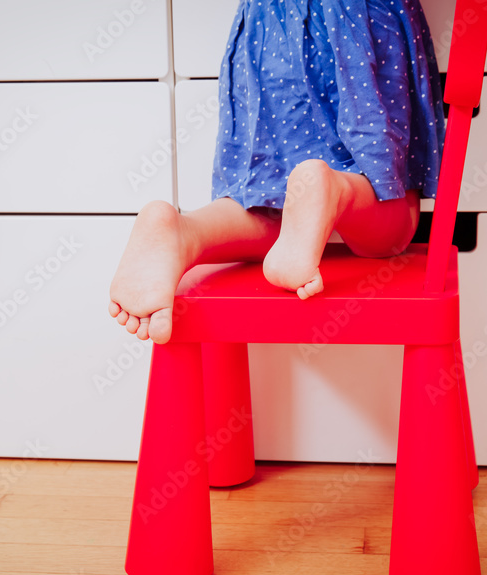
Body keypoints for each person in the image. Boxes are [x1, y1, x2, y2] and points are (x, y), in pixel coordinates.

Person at [109, 0, 445, 344]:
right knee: (391, 223)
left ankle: (185, 232)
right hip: (359, 21)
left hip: (268, 26)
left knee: (266, 205)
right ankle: (333, 189)